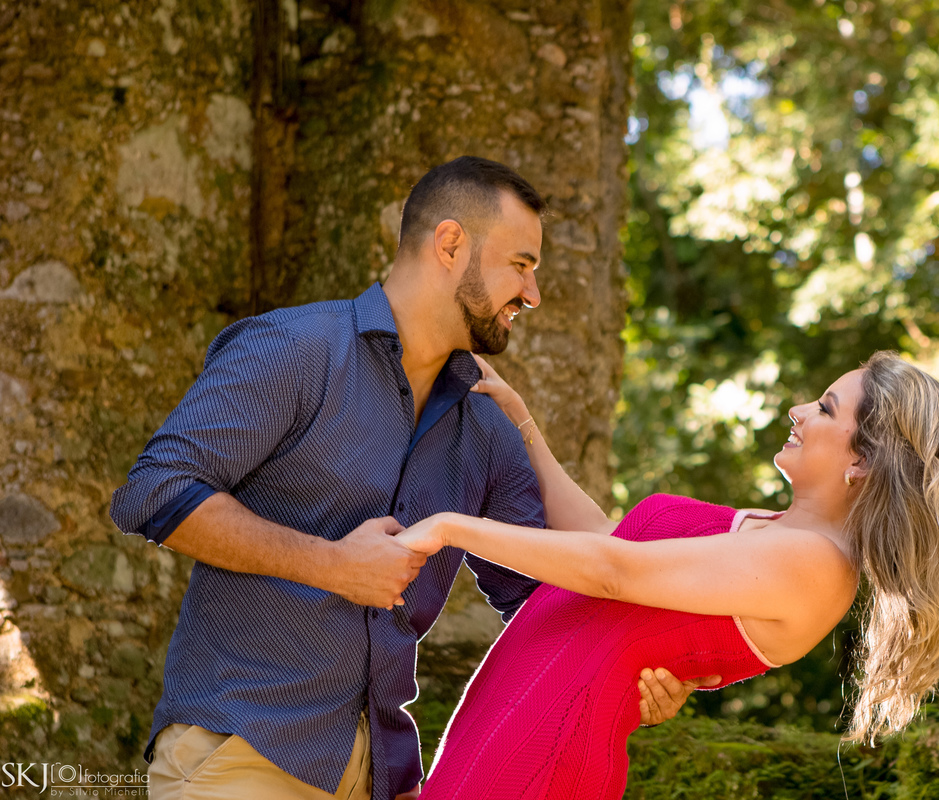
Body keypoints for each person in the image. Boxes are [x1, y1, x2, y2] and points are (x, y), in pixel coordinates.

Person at [108, 156, 702, 800]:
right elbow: (155, 490)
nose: (533, 294)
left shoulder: (487, 427)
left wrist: (627, 672)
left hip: (384, 777)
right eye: (522, 265)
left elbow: (539, 600)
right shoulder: (295, 348)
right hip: (239, 756)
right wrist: (332, 565)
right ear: (451, 244)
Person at [395, 350, 939, 800]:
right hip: (512, 722)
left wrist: (450, 527)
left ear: (865, 461)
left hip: (544, 755)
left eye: (825, 409)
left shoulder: (818, 566)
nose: (798, 411)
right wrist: (522, 425)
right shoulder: (771, 529)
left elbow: (612, 572)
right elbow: (607, 540)